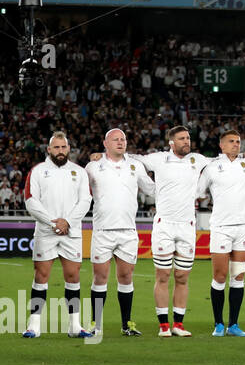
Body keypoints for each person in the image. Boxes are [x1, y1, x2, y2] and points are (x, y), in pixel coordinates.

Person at [127, 126, 210, 337]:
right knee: (163, 275)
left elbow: (223, 163)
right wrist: (105, 156)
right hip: (164, 225)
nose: (186, 141)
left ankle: (178, 324)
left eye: (188, 138)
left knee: (182, 276)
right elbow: (135, 159)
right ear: (171, 143)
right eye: (182, 138)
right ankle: (163, 325)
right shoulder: (158, 159)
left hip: (187, 226)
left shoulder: (198, 160)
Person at [196, 130, 245, 337]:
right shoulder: (211, 168)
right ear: (221, 145)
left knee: (238, 277)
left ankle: (234, 324)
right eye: (231, 141)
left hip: (243, 227)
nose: (236, 144)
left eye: (238, 141)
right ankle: (218, 323)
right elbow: (197, 191)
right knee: (219, 277)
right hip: (221, 227)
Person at [21, 132, 92, 338]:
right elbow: (30, 200)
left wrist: (67, 222)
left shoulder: (79, 172)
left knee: (73, 276)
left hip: (71, 232)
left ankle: (75, 326)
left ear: (68, 149)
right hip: (46, 231)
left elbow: (85, 200)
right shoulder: (38, 170)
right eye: (56, 147)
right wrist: (53, 222)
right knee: (41, 276)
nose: (60, 151)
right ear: (49, 150)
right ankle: (34, 325)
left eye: (63, 147)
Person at [85, 128, 154, 336]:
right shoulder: (93, 166)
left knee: (126, 276)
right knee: (100, 277)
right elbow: (79, 190)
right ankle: (95, 324)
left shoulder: (135, 165)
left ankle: (127, 324)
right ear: (105, 143)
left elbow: (152, 189)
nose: (120, 142)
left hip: (127, 231)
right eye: (115, 139)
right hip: (102, 230)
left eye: (123, 139)